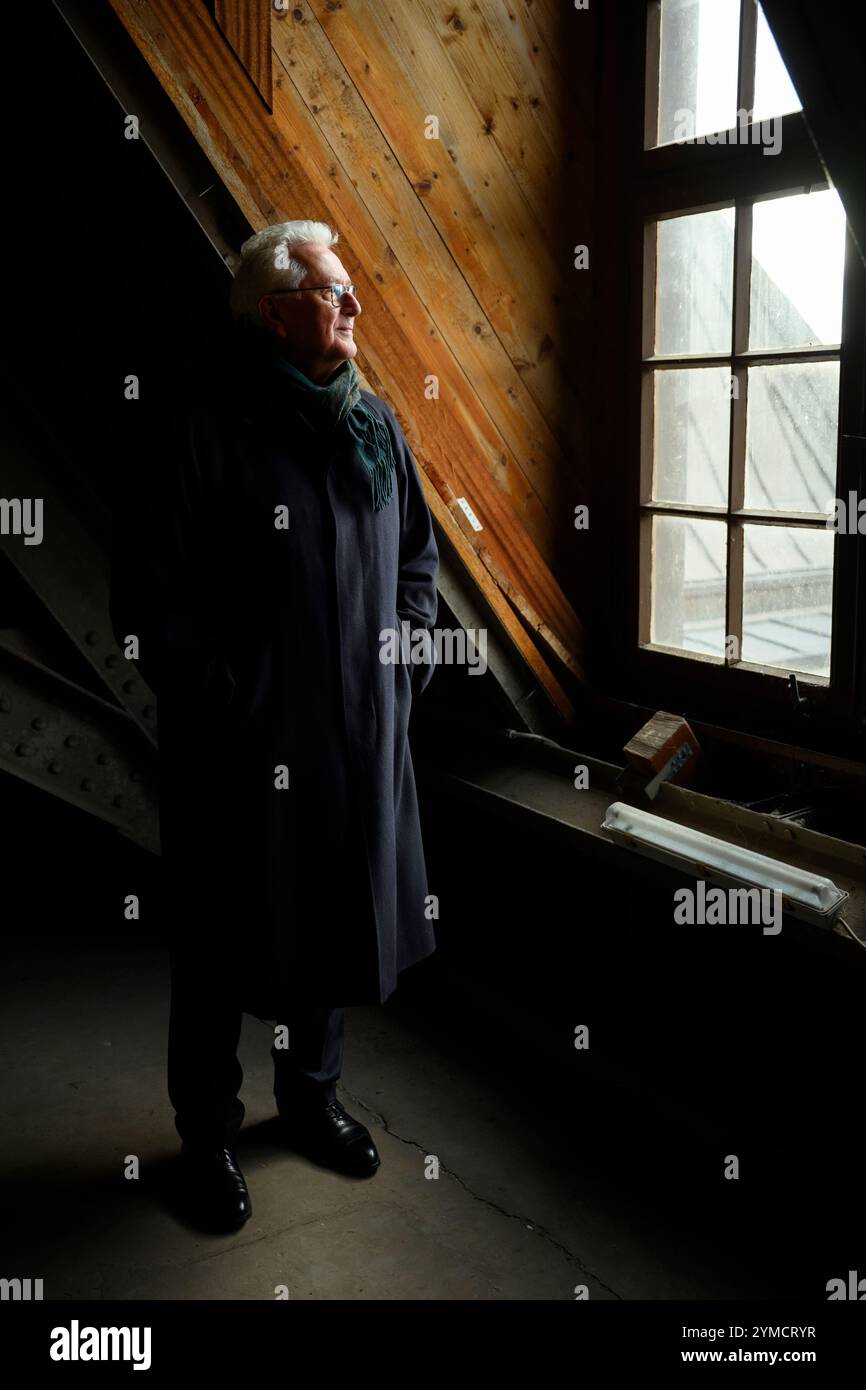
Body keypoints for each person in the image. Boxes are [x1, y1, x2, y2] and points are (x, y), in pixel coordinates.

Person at [109, 219, 440, 1231]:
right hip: (243, 753)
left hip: (357, 737)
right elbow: (153, 602)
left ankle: (309, 1100)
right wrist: (235, 705)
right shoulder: (203, 427)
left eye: (347, 292)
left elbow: (418, 568)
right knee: (219, 940)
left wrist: (398, 672)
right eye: (332, 290)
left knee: (330, 921)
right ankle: (205, 1132)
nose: (350, 306)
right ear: (273, 308)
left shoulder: (374, 426)